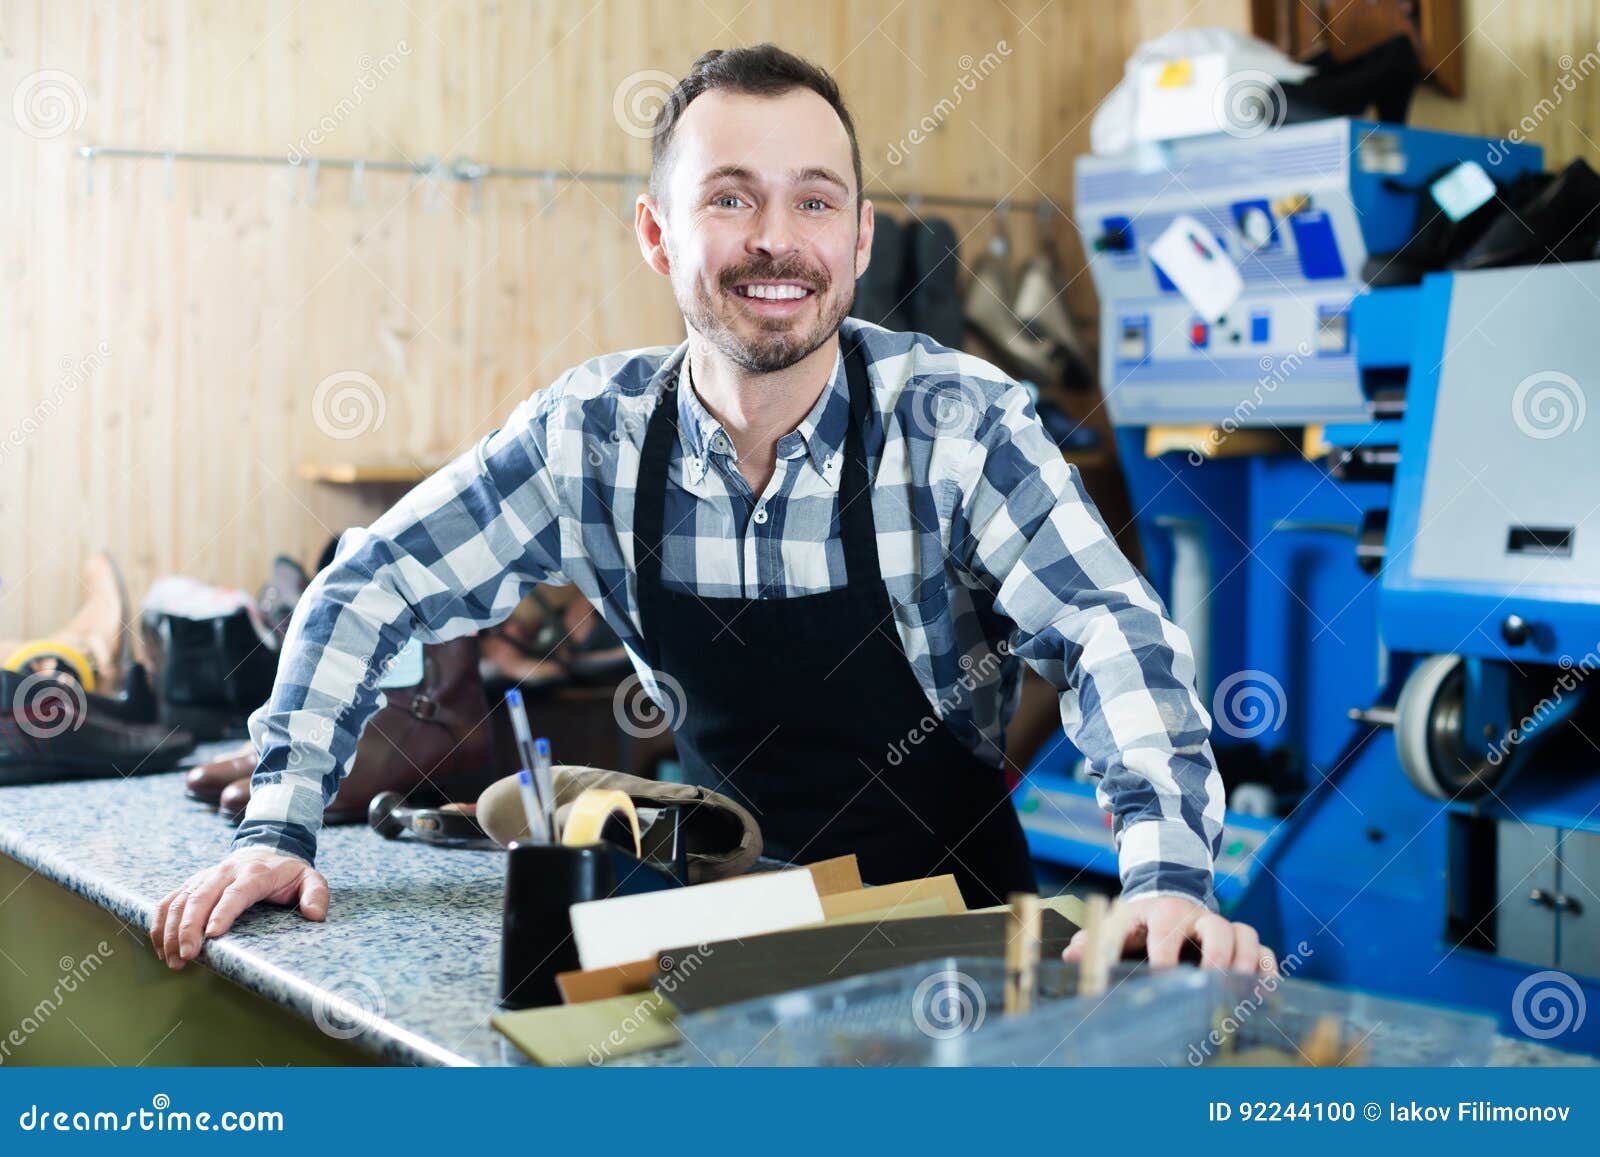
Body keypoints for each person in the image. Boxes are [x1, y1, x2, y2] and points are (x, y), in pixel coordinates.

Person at [152, 44, 1273, 977]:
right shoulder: (587, 436)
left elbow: (1110, 634)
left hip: (957, 945)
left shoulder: (957, 424)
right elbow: (368, 583)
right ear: (657, 233)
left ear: (860, 238)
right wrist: (278, 828)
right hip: (708, 927)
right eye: (729, 197)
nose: (774, 240)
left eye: (813, 202)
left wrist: (1166, 881)